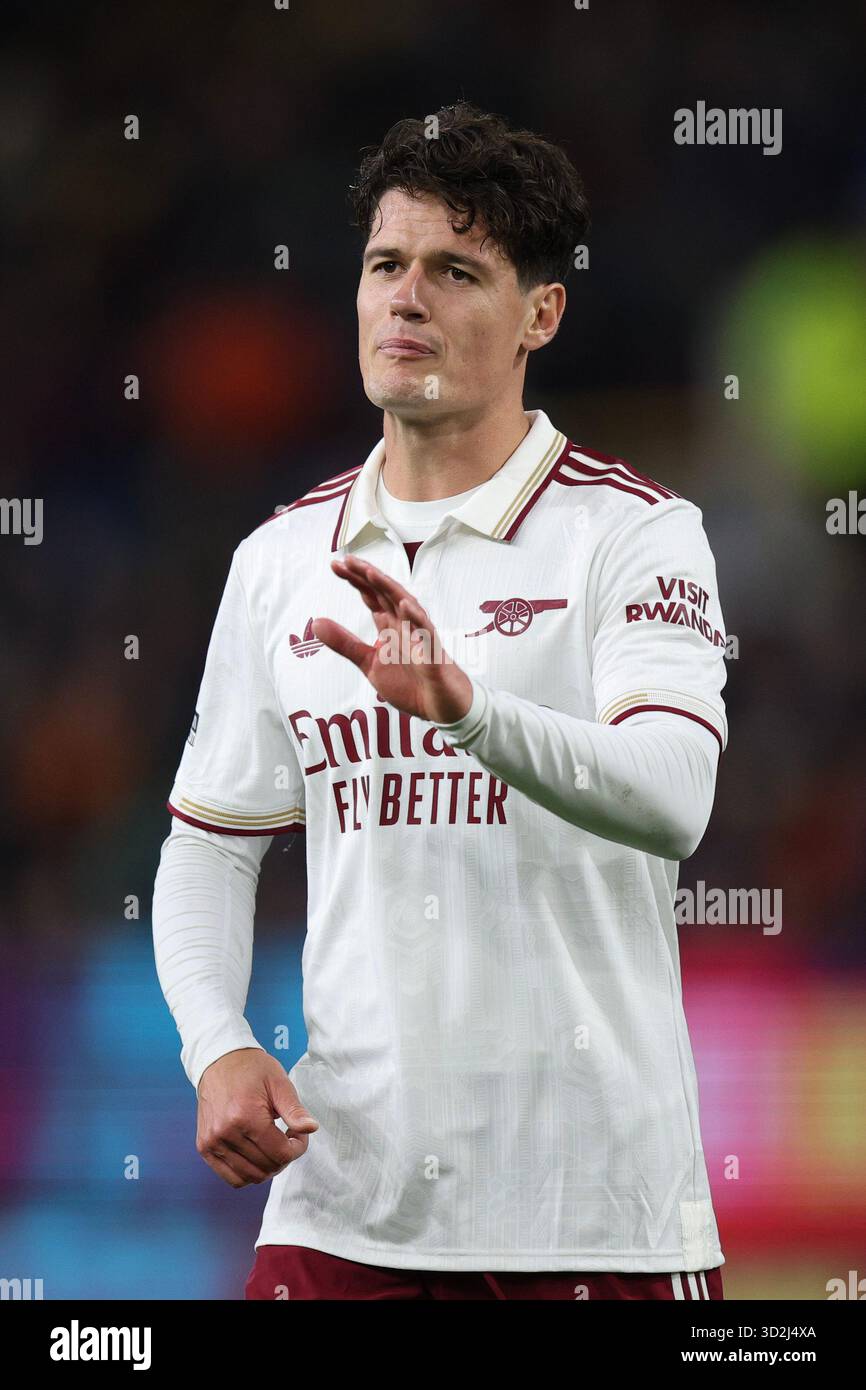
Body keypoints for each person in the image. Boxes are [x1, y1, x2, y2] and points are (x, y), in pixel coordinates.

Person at [152, 101, 728, 1301]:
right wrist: (219, 1041)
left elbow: (674, 802)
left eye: (454, 270)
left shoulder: (631, 533)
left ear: (539, 314)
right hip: (341, 1207)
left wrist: (466, 708)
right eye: (384, 265)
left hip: (589, 1216)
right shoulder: (279, 559)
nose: (404, 297)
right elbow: (209, 845)